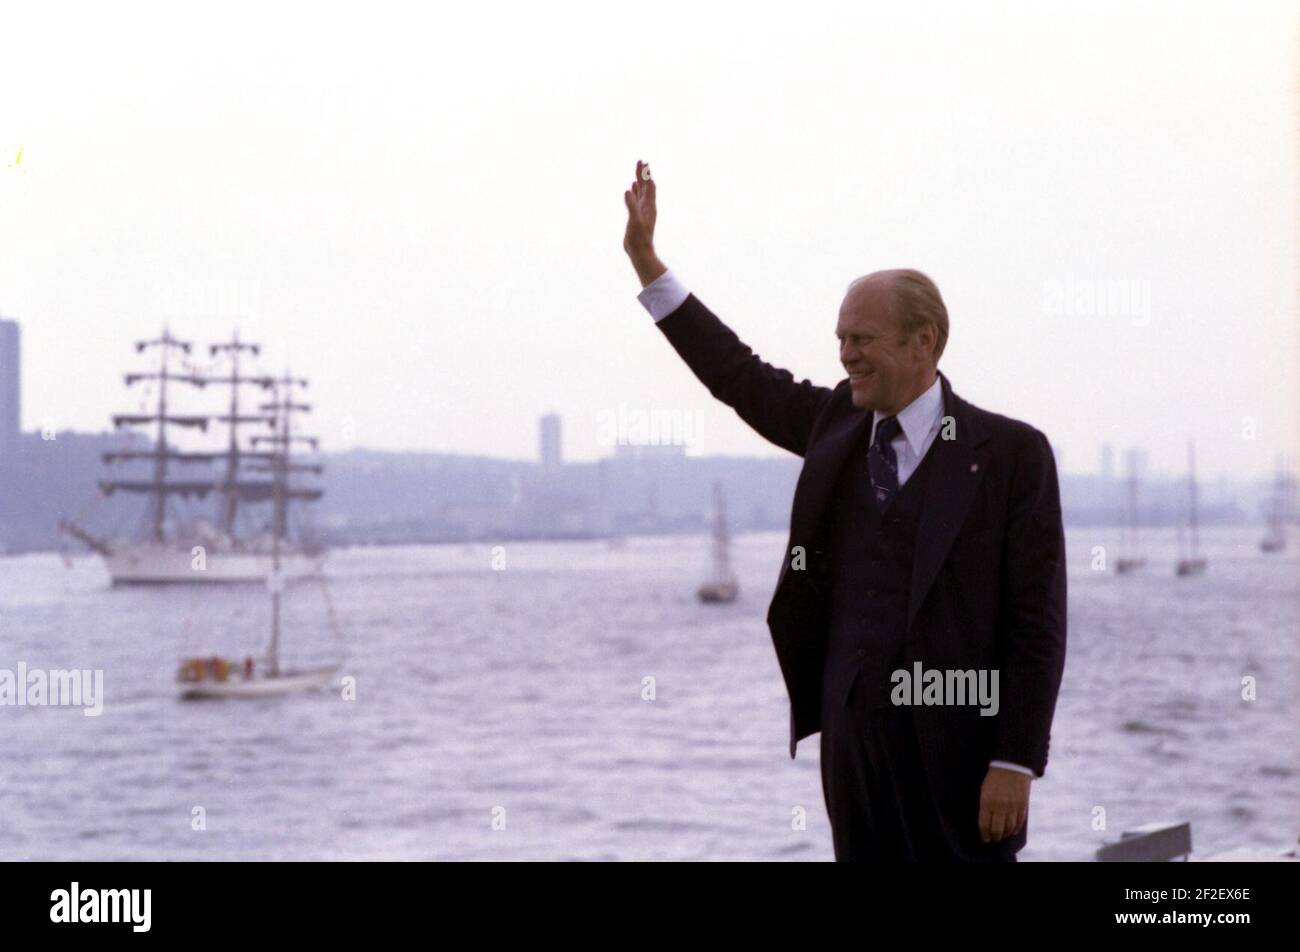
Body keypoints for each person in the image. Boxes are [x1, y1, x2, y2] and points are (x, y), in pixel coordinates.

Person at [620, 160, 1067, 861]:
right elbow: (738, 375)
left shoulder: (1012, 455)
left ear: (923, 342)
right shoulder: (834, 425)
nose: (845, 354)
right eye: (840, 338)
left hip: (963, 763)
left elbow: (1037, 623)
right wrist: (650, 268)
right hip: (854, 754)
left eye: (862, 339)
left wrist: (1016, 762)